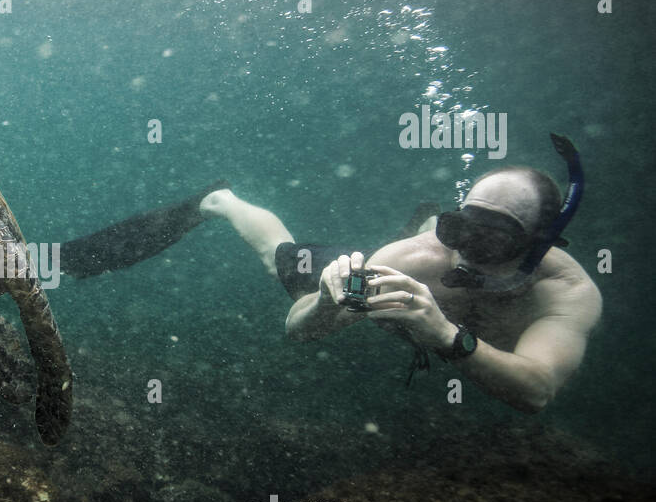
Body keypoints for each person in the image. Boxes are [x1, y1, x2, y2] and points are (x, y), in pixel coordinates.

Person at [61, 134, 601, 413]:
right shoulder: (418, 259)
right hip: (387, 279)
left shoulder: (564, 292)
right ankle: (222, 201)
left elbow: (536, 393)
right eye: (459, 229)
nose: (465, 251)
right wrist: (326, 302)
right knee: (282, 254)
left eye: (494, 237)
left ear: (538, 244)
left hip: (445, 329)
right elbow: (297, 330)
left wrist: (441, 334)